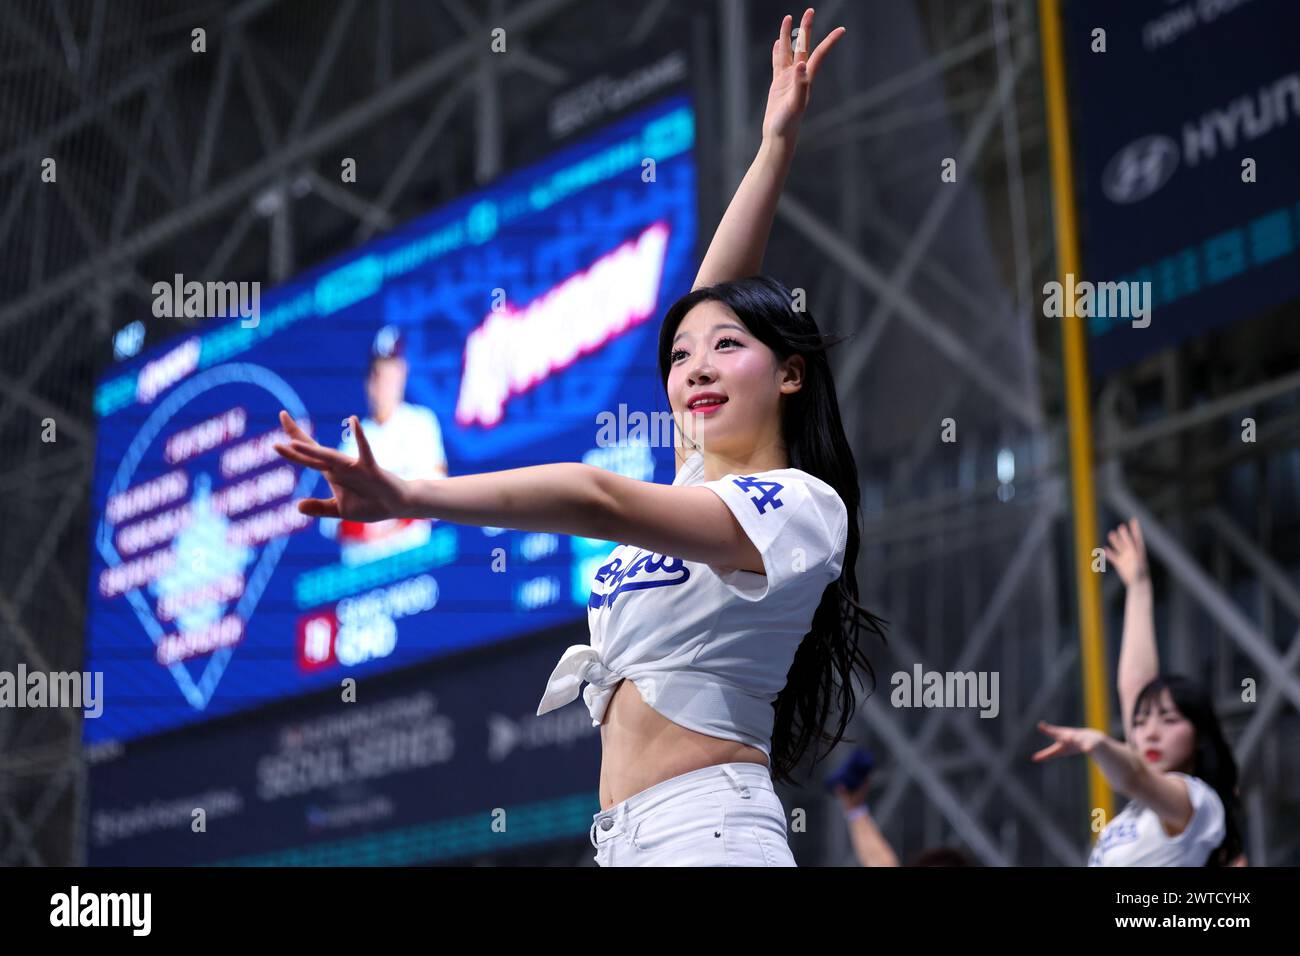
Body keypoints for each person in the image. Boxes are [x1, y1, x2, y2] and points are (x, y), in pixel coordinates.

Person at [274, 8, 886, 867]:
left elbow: (593, 494)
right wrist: (773, 144)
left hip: (709, 834)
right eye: (678, 359)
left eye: (727, 350)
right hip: (623, 841)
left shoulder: (799, 507)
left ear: (790, 373)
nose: (694, 369)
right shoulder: (697, 478)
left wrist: (412, 495)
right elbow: (713, 293)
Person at [1033, 518, 1244, 866]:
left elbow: (1134, 776)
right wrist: (1138, 585)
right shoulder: (1138, 814)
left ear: (1199, 734)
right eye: (1142, 722)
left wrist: (1099, 744)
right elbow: (1135, 684)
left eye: (1170, 719)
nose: (1151, 733)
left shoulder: (1194, 802)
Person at [319, 325, 449, 564]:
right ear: (368, 382)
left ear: (403, 374)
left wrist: (382, 521)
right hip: (364, 576)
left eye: (391, 373)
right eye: (378, 374)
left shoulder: (421, 423)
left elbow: (435, 494)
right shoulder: (349, 444)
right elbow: (331, 521)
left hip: (414, 564)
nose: (384, 383)